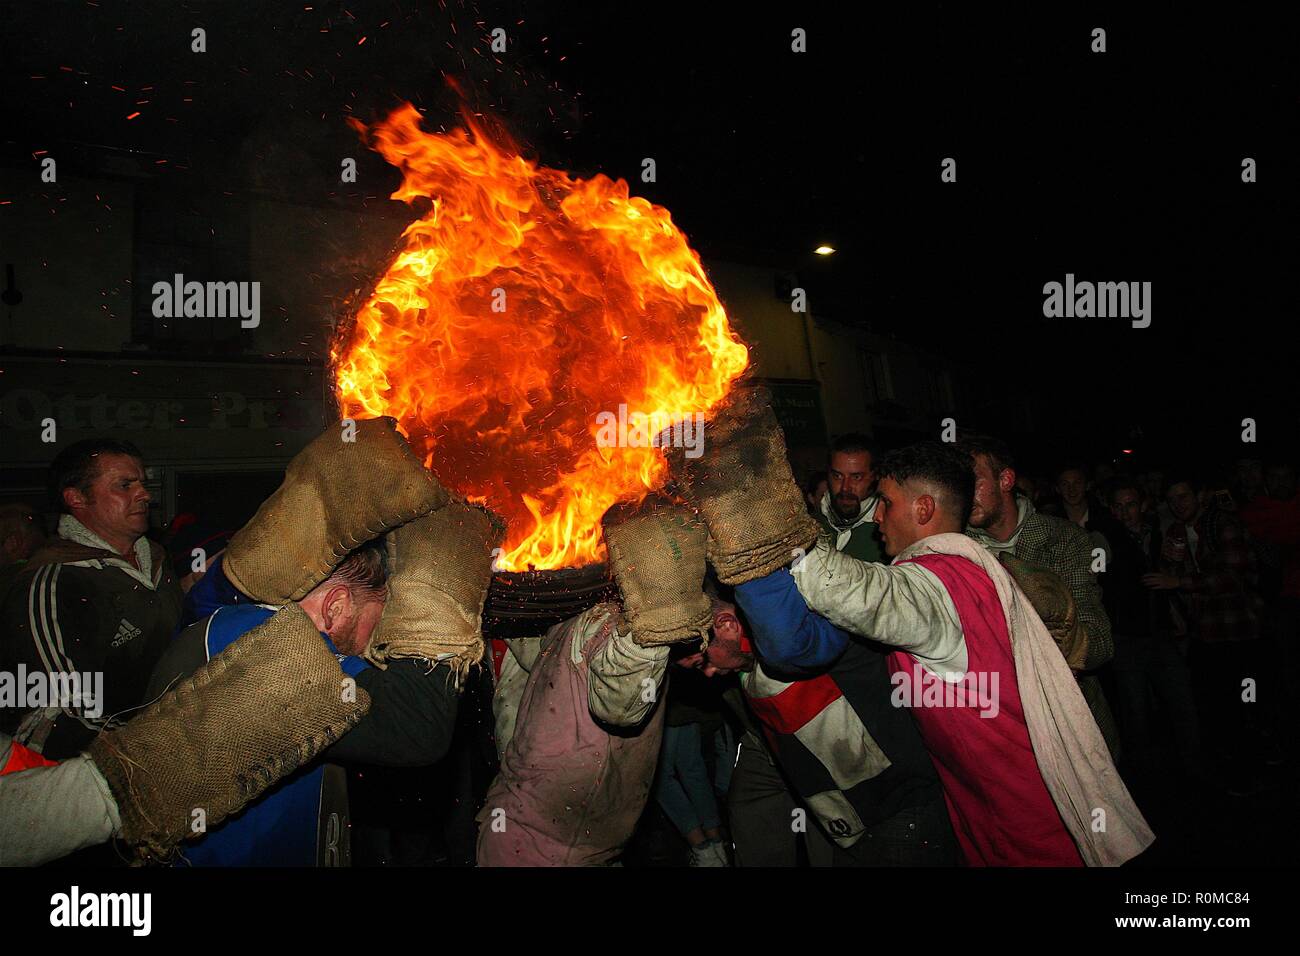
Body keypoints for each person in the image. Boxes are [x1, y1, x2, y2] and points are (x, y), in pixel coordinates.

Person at [673, 402, 1153, 866]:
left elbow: (858, 593)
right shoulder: (944, 570)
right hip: (977, 814)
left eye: (885, 502)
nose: (876, 516)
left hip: (1030, 821)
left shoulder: (945, 579)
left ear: (924, 508)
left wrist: (755, 513)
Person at [695, 587, 957, 866]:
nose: (709, 672)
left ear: (727, 625)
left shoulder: (799, 639)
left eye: (705, 661)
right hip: (858, 825)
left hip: (901, 810)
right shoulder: (753, 669)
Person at [0, 440, 183, 759]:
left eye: (142, 483)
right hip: (117, 777)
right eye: (125, 485)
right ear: (76, 498)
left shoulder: (155, 561)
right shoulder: (53, 583)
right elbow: (55, 713)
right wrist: (159, 754)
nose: (144, 494)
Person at [959, 435, 1121, 758]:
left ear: (1005, 480)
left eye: (973, 480)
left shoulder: (1064, 538)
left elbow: (1101, 640)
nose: (963, 492)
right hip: (1001, 732)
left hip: (1071, 728)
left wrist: (1067, 639)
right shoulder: (959, 550)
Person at [1147, 473, 1271, 792]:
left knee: (1247, 704)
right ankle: (1231, 772)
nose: (1178, 504)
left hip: (1240, 631)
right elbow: (1166, 573)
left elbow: (1235, 574)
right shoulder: (1175, 531)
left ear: (1201, 495)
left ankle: (1257, 772)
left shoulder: (1223, 524)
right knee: (1214, 706)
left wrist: (1182, 583)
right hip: (1204, 634)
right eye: (1172, 499)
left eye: (1184, 496)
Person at [1100, 478, 1204, 784]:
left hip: (1159, 634)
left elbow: (1165, 579)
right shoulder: (1103, 537)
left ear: (1142, 505)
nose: (1124, 512)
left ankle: (1196, 773)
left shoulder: (1159, 533)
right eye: (1118, 506)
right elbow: (1098, 580)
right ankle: (1147, 784)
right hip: (1125, 639)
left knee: (1182, 702)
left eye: (1130, 504)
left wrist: (1173, 612)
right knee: (1136, 714)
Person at [813, 434, 883, 562]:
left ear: (875, 476)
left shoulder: (886, 531)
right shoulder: (810, 524)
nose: (845, 488)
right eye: (837, 476)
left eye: (856, 477)